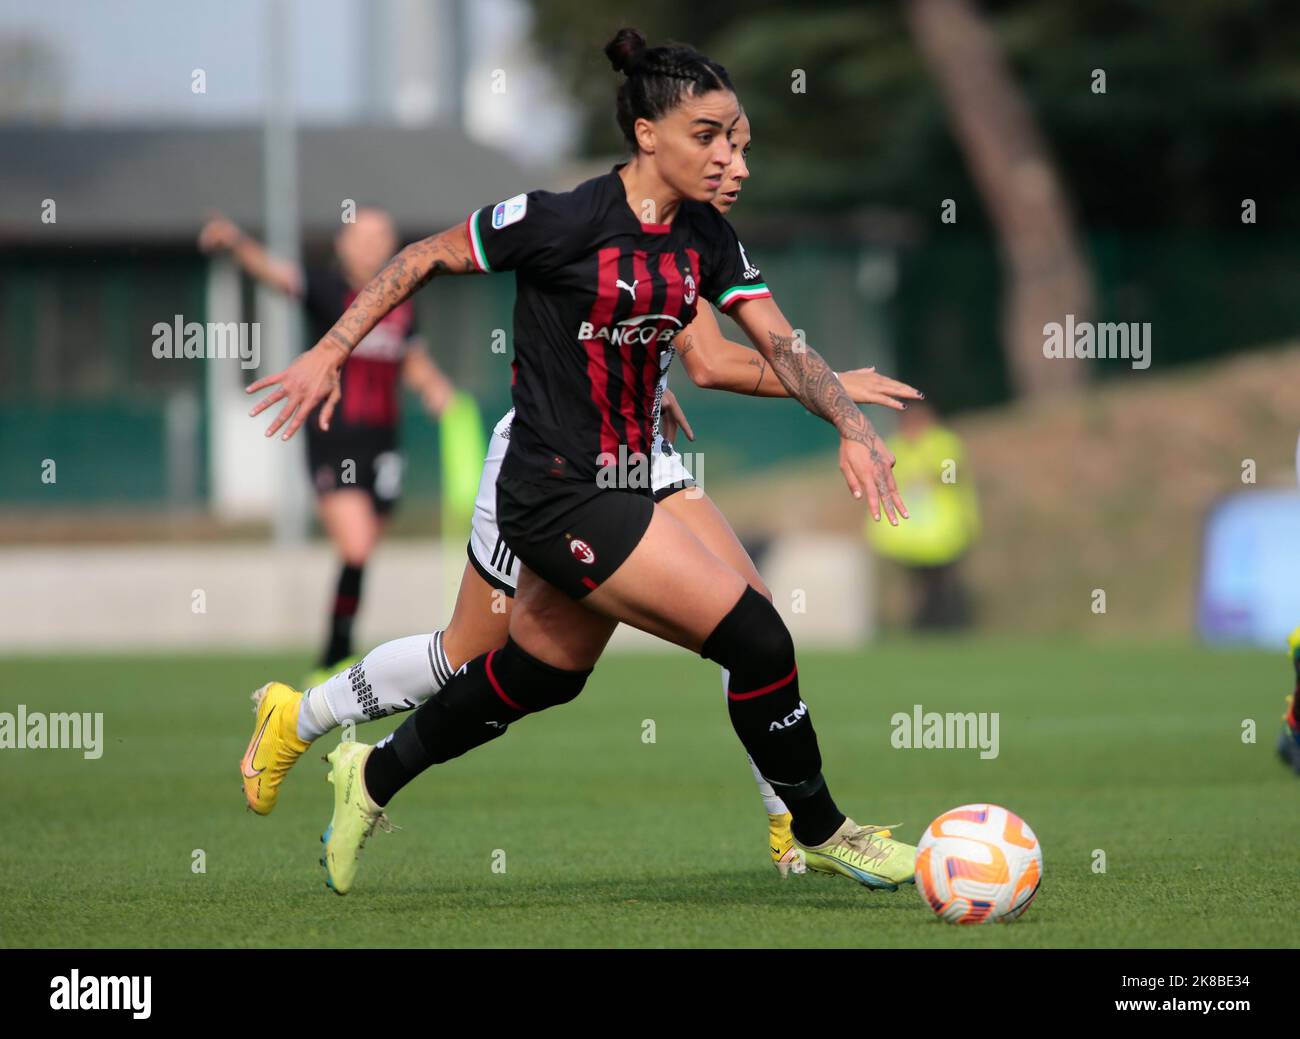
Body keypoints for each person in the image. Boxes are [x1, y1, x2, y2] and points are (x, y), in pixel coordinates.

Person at [247, 28, 915, 896]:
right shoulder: (558, 220)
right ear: (647, 134)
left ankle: (369, 775)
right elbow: (421, 257)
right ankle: (820, 828)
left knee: (543, 672)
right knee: (752, 636)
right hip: (555, 489)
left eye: (739, 138)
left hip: (641, 468)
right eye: (710, 137)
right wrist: (331, 348)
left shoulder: (703, 239)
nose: (733, 160)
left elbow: (772, 345)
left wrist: (849, 422)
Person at [199, 209, 456, 675]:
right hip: (333, 439)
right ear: (342, 243)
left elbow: (412, 360)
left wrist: (436, 388)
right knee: (356, 547)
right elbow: (276, 274)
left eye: (383, 237)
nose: (373, 246)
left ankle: (339, 646)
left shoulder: (403, 301)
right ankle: (334, 657)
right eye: (363, 236)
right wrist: (236, 242)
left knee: (363, 551)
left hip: (385, 444)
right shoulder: (326, 290)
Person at [866, 401, 979, 630]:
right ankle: (923, 627)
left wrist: (928, 477)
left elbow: (951, 474)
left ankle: (949, 626)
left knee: (943, 584)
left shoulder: (943, 443)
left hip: (944, 532)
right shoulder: (895, 445)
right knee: (917, 586)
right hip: (912, 535)